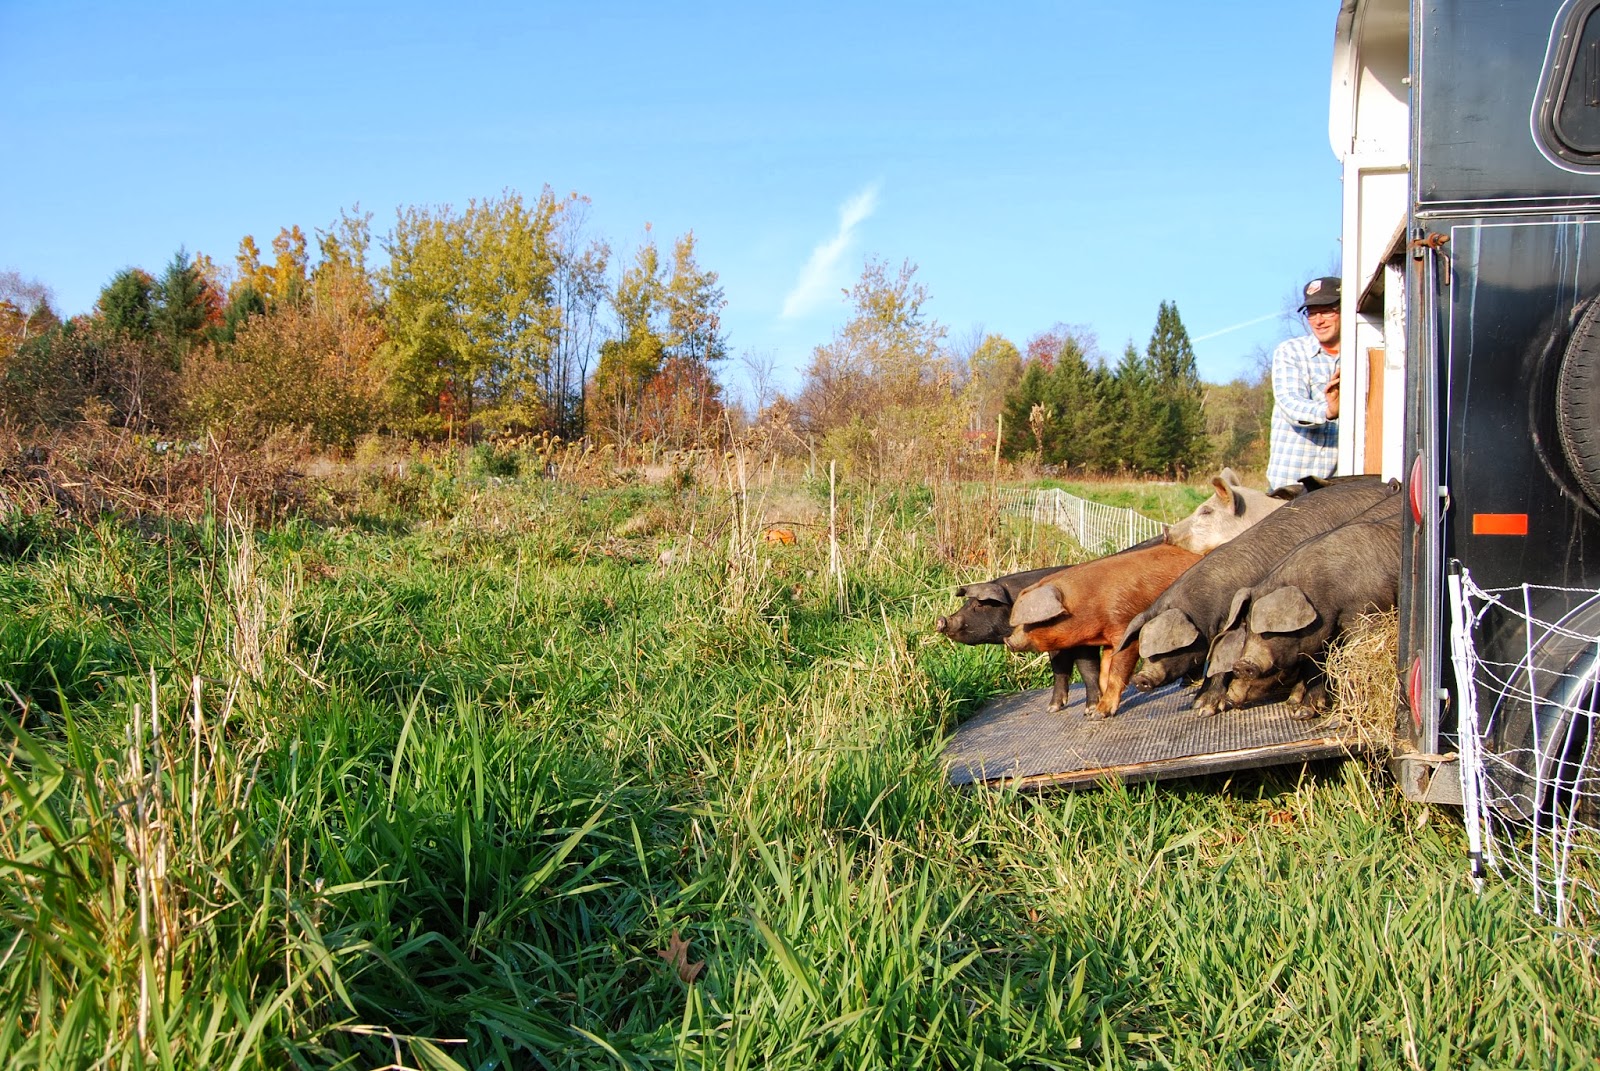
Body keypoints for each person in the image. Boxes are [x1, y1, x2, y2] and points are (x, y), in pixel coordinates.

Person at [1265, 276, 1342, 491]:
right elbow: (1290, 403)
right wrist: (1329, 411)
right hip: (1289, 487)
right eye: (1312, 313)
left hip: (1337, 489)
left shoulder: (1360, 356)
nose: (1319, 321)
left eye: (1327, 311)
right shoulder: (1291, 352)